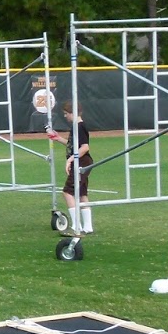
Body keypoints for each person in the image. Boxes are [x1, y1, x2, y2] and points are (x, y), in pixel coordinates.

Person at [59, 100, 94, 235]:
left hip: (82, 163)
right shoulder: (76, 127)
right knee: (82, 194)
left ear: (73, 113)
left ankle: (76, 226)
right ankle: (88, 227)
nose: (65, 116)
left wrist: (71, 159)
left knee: (68, 192)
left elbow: (84, 147)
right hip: (83, 162)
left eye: (66, 113)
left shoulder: (79, 126)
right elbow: (72, 145)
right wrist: (58, 138)